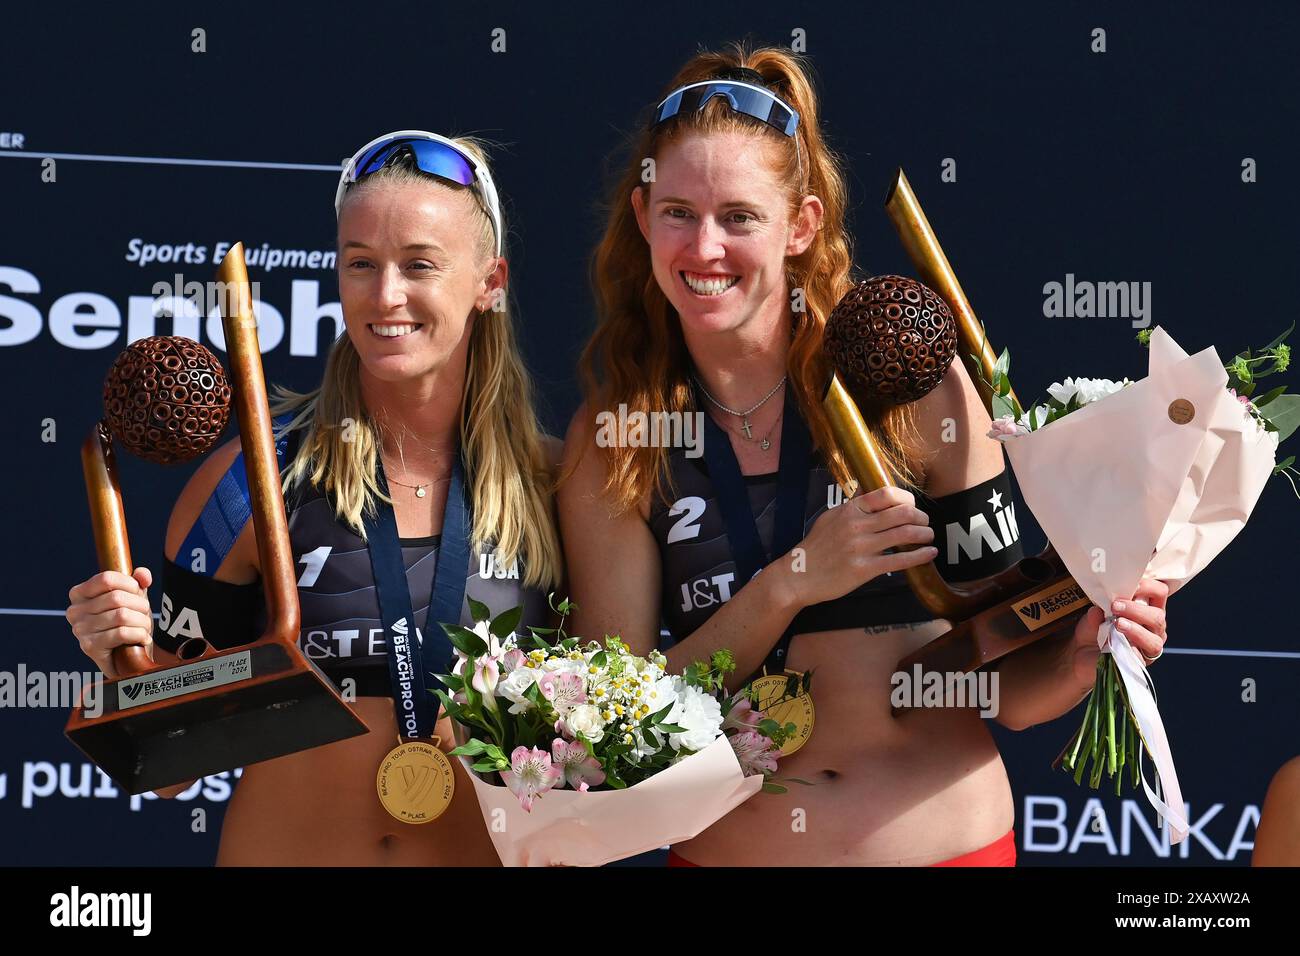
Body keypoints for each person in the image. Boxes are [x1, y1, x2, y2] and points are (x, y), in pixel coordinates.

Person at [558, 45, 1171, 866]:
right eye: (678, 212)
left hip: (948, 847)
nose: (705, 248)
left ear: (801, 225)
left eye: (739, 216)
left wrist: (1083, 650)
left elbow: (1007, 688)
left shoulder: (910, 380)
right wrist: (789, 586)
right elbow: (618, 730)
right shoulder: (621, 438)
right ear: (642, 218)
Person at [65, 130, 564, 865]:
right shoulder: (254, 482)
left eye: (419, 264)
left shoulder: (557, 486)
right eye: (361, 264)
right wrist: (117, 656)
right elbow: (173, 768)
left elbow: (618, 748)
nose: (385, 294)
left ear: (491, 281)